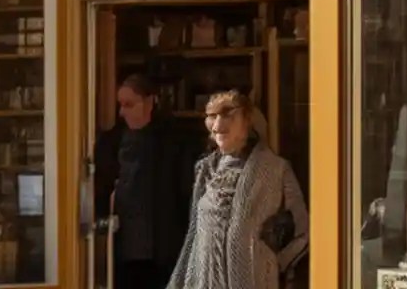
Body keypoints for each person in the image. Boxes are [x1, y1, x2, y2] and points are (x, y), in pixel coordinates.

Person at [166, 90, 308, 289]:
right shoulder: (205, 170)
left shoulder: (276, 169)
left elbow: (303, 231)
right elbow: (193, 237)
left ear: (247, 121)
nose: (217, 126)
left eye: (227, 116)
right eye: (212, 118)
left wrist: (273, 262)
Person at [94, 75, 197, 289]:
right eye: (120, 105)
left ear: (150, 103)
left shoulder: (175, 141)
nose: (122, 112)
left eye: (129, 105)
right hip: (121, 250)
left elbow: (186, 194)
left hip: (163, 250)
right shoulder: (111, 141)